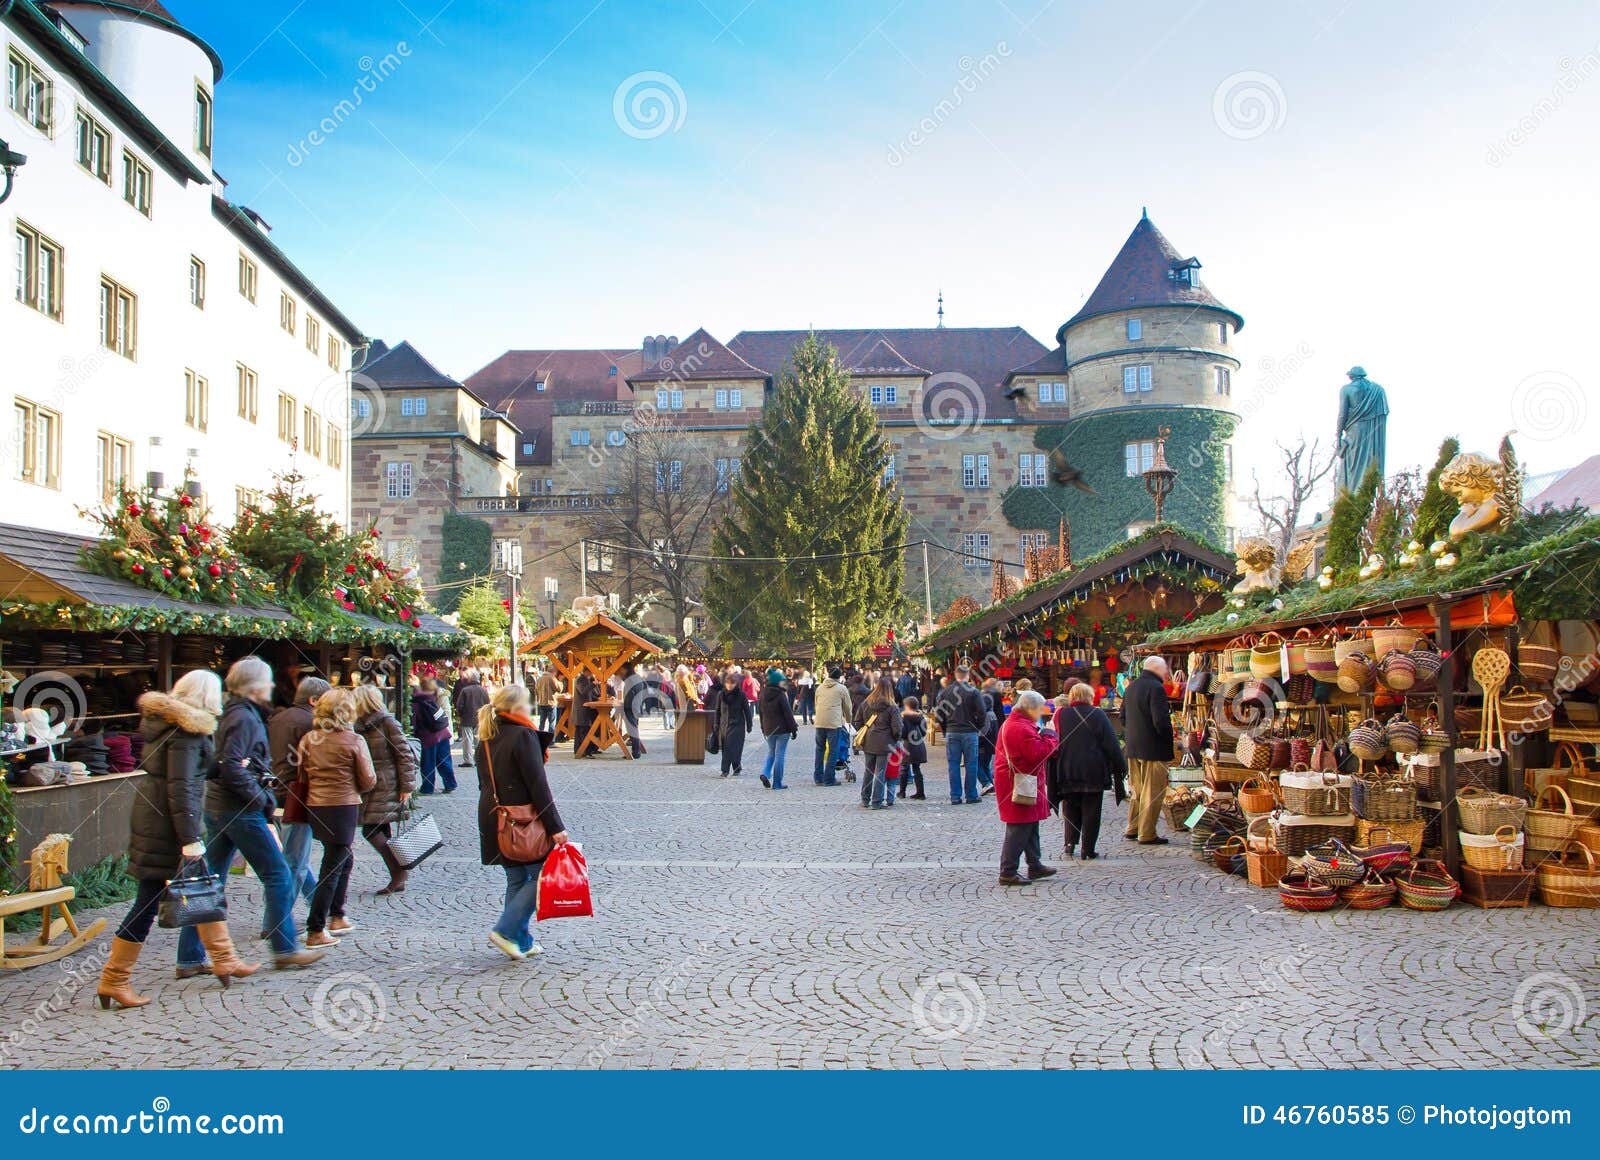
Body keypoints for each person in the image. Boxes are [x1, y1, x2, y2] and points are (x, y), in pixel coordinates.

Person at [98, 673, 266, 1008]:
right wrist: (190, 838)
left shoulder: (169, 725)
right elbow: (182, 787)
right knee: (148, 901)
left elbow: (189, 774)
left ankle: (223, 958)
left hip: (157, 815)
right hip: (168, 823)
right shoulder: (186, 731)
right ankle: (114, 979)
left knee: (201, 885)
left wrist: (223, 765)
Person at [176, 657, 323, 975]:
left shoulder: (232, 713)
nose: (272, 687)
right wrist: (261, 799)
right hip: (239, 808)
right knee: (279, 874)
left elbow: (226, 764)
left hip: (220, 806)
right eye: (267, 681)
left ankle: (188, 956)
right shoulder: (244, 718)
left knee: (210, 880)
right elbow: (231, 765)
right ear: (255, 686)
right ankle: (284, 947)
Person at [477, 684, 569, 960]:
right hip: (521, 819)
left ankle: (520, 940)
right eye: (527, 704)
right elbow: (538, 786)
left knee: (516, 877)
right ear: (518, 707)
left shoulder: (487, 735)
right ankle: (506, 930)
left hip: (494, 816)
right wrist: (556, 827)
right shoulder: (523, 735)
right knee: (543, 875)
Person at [296, 688, 377, 948]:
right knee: (332, 866)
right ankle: (316, 927)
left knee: (342, 857)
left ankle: (338, 915)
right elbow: (368, 780)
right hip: (342, 805)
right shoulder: (353, 740)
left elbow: (302, 775)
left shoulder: (309, 739)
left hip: (317, 806)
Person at [268, 675, 330, 912]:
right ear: (314, 700)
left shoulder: (277, 719)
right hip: (297, 796)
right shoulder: (311, 723)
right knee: (296, 863)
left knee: (296, 858)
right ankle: (276, 920)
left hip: (276, 793)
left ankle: (318, 908)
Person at [1048, 683, 1127, 861]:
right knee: (1092, 809)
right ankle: (1088, 848)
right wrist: (1120, 765)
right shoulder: (1097, 714)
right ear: (1089, 697)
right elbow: (1111, 743)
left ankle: (1070, 843)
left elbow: (1052, 739)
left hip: (1067, 769)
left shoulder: (1061, 714)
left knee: (1070, 805)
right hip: (1093, 770)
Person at [354, 684, 418, 895]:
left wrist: (407, 787)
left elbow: (404, 755)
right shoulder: (358, 725)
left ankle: (399, 872)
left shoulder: (387, 723)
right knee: (381, 830)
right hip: (369, 786)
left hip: (387, 784)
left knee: (371, 830)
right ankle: (397, 875)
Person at [994, 689, 1059, 886]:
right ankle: (1008, 871)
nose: (1041, 713)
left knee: (1030, 824)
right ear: (1029, 709)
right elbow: (1037, 754)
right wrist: (1050, 735)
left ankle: (1034, 864)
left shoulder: (1017, 724)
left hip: (1019, 780)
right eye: (1039, 709)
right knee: (1019, 826)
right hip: (1018, 782)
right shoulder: (1020, 728)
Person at [1122, 655, 1176, 845]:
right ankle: (1147, 833)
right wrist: (1169, 739)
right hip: (1154, 748)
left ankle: (1133, 827)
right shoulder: (1156, 688)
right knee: (1152, 792)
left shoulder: (1131, 687)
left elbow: (1123, 717)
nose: (1167, 672)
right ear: (1157, 669)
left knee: (1137, 790)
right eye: (1165, 669)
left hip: (1133, 747)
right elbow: (1160, 721)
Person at [934, 666, 986, 804]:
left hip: (952, 731)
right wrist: (977, 726)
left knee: (953, 764)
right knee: (971, 764)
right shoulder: (974, 692)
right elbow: (982, 712)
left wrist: (945, 729)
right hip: (969, 731)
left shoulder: (946, 692)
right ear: (967, 675)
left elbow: (939, 714)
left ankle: (955, 796)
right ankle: (971, 795)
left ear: (955, 675)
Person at [853, 677, 903, 810]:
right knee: (881, 771)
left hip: (869, 741)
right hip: (885, 743)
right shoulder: (892, 706)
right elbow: (897, 728)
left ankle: (865, 799)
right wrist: (895, 739)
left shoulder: (866, 703)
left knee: (868, 771)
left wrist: (865, 731)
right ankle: (877, 801)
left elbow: (857, 721)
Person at [411, 678, 456, 794]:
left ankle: (427, 788)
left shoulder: (417, 700)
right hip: (443, 733)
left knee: (428, 763)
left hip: (427, 737)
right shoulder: (435, 696)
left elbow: (414, 720)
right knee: (444, 760)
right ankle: (450, 784)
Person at [757, 666, 799, 790]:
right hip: (782, 729)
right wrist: (794, 729)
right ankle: (777, 783)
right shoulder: (780, 695)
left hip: (769, 728)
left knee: (771, 753)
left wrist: (763, 728)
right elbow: (788, 713)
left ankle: (765, 773)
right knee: (780, 754)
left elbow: (761, 713)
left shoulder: (763, 693)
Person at [812, 667, 852, 786]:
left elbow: (816, 703)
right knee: (833, 750)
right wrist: (849, 721)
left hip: (819, 721)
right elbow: (847, 707)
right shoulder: (841, 688)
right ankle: (829, 778)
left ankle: (818, 777)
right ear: (839, 677)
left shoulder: (819, 687)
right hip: (834, 723)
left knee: (819, 749)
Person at [715, 669, 752, 777]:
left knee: (734, 747)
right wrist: (716, 724)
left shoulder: (741, 695)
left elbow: (746, 711)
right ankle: (732, 768)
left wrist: (749, 725)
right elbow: (717, 711)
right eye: (728, 683)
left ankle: (728, 769)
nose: (729, 685)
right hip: (724, 725)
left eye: (732, 683)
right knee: (726, 747)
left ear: (736, 684)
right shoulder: (721, 695)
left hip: (737, 724)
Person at [452, 669, 490, 768]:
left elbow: (459, 705)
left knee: (467, 740)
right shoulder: (483, 690)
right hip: (480, 717)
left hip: (467, 717)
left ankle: (468, 760)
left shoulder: (465, 690)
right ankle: (478, 759)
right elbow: (488, 704)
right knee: (478, 739)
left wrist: (461, 715)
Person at [897, 696, 928, 800]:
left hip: (908, 745)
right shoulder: (921, 717)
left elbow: (903, 733)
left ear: (907, 706)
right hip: (919, 744)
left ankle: (902, 792)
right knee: (917, 769)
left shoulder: (904, 717)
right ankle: (920, 792)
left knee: (904, 769)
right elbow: (924, 732)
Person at [978, 678, 1002, 792]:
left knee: (977, 765)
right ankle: (991, 786)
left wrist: (978, 741)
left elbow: (983, 732)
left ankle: (987, 783)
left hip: (984, 744)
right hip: (991, 744)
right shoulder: (993, 715)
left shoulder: (986, 717)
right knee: (986, 765)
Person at [572, 670, 601, 757]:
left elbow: (589, 694)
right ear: (587, 671)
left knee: (581, 730)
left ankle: (580, 750)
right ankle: (583, 751)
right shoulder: (580, 679)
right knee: (582, 730)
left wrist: (597, 698)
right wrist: (593, 684)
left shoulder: (585, 679)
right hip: (581, 709)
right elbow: (583, 691)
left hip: (583, 709)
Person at [534, 666, 561, 732]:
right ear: (554, 672)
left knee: (542, 723)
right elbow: (559, 689)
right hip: (551, 702)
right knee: (551, 723)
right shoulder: (552, 678)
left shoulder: (539, 679)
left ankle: (540, 738)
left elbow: (536, 691)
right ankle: (551, 740)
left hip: (542, 702)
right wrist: (560, 682)